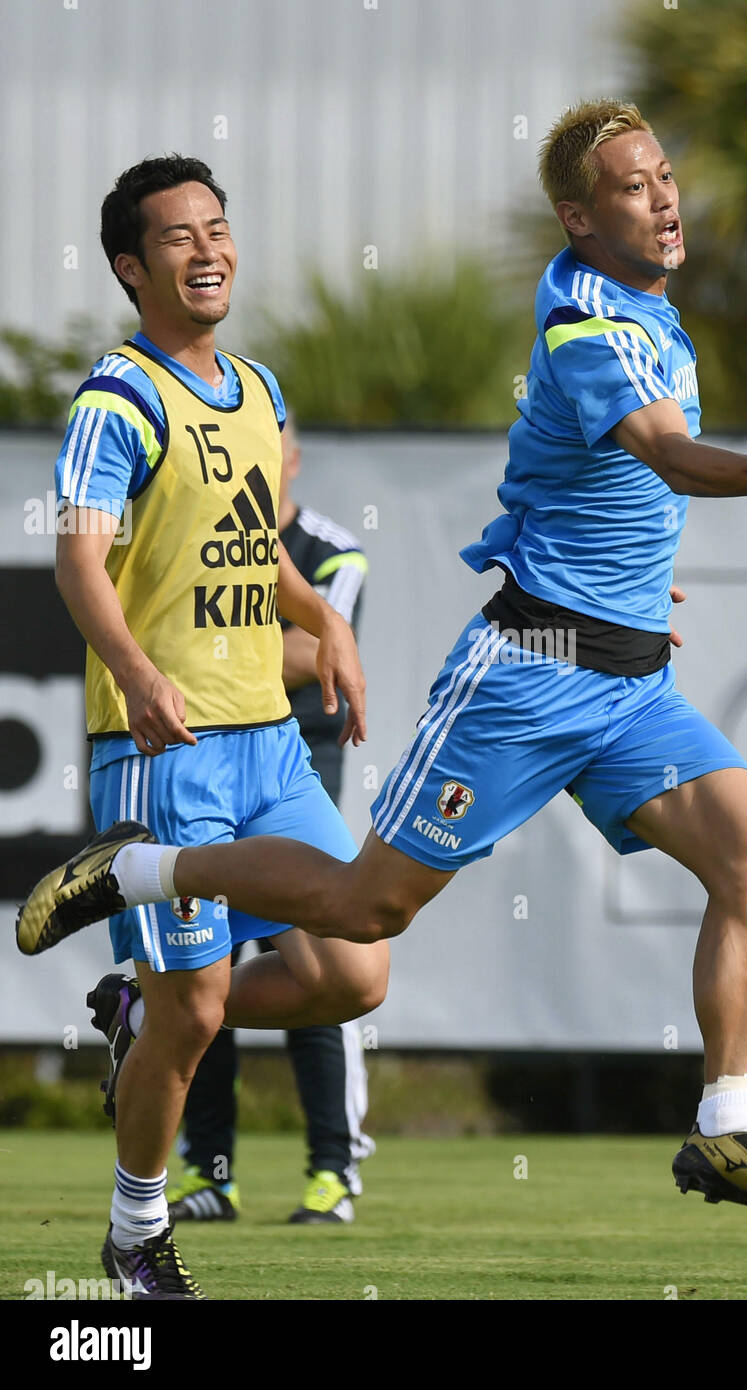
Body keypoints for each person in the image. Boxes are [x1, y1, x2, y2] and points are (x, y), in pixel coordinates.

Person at [19, 102, 747, 1236]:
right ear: (580, 217)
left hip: (626, 679)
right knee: (363, 913)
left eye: (667, 176)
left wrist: (624, 595)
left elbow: (614, 495)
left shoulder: (649, 311)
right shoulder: (590, 326)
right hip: (528, 673)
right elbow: (668, 455)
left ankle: (727, 1121)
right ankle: (143, 876)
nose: (667, 198)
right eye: (635, 187)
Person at [25, 154, 388, 1299]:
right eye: (179, 237)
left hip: (268, 739)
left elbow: (254, 540)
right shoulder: (116, 399)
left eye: (219, 228)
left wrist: (321, 615)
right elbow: (77, 553)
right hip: (164, 751)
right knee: (196, 1013)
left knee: (356, 969)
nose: (209, 249)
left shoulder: (259, 390)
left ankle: (134, 998)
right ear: (133, 268)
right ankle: (137, 1234)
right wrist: (131, 667)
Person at [167, 413, 374, 1227]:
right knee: (206, 958)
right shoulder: (208, 532)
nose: (259, 458)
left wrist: (204, 641)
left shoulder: (331, 551)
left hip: (298, 766)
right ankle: (209, 1172)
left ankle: (332, 1172)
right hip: (209, 763)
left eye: (271, 445)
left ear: (290, 457)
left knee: (324, 968)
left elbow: (311, 648)